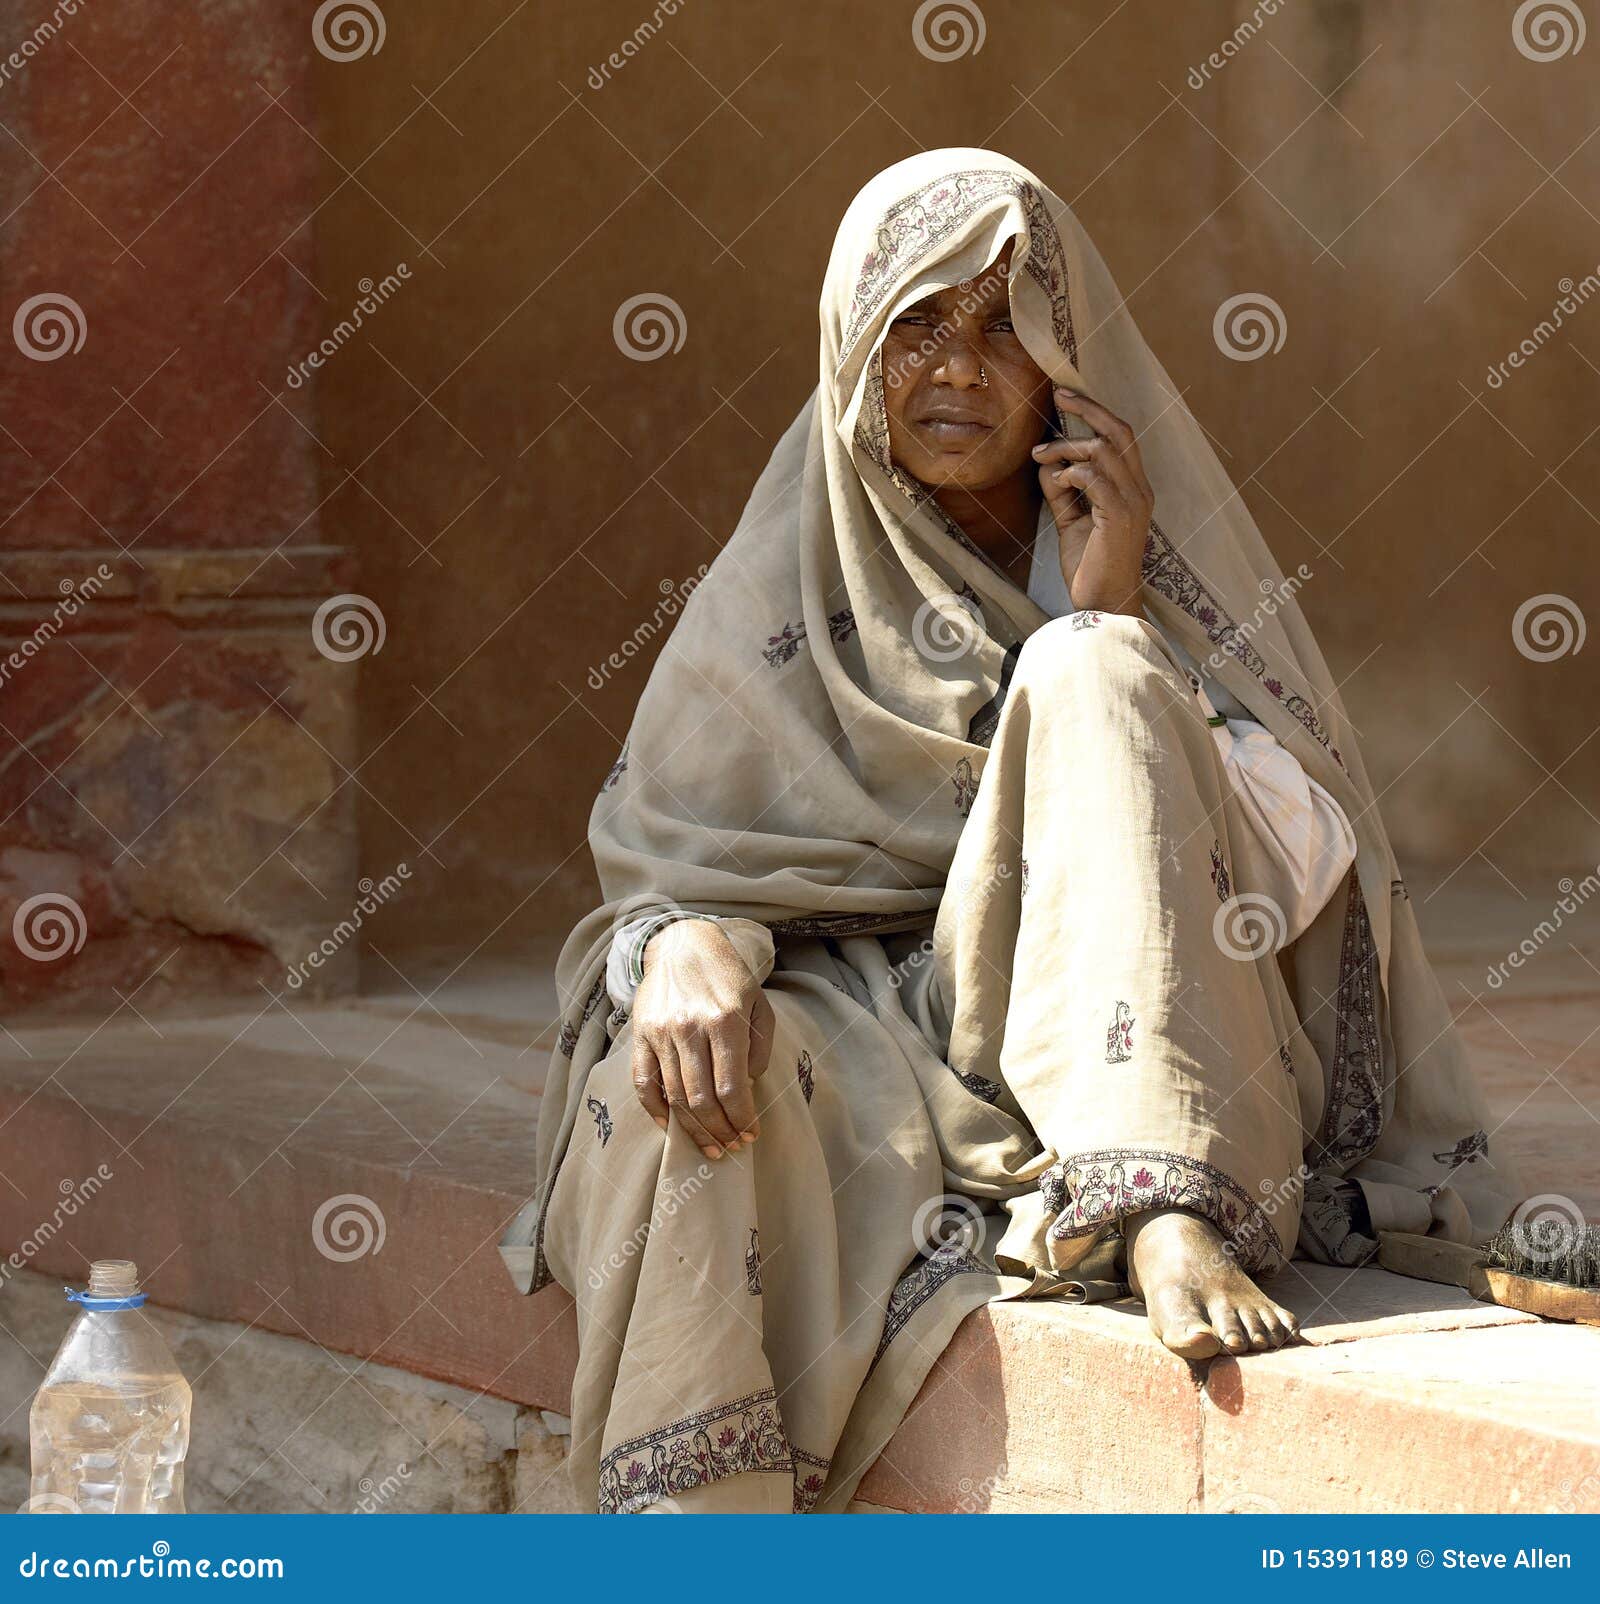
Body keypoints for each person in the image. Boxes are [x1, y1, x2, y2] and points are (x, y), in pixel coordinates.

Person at [501, 148, 1520, 1514]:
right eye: (915, 325)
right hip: (870, 1038)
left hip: (1134, 1052)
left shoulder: (1154, 575)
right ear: (854, 355)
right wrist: (683, 937)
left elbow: (1299, 884)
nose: (958, 371)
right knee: (674, 1084)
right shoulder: (776, 588)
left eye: (1001, 328)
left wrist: (1110, 619)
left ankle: (1164, 1206)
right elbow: (675, 855)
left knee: (1090, 671)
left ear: (1063, 361)